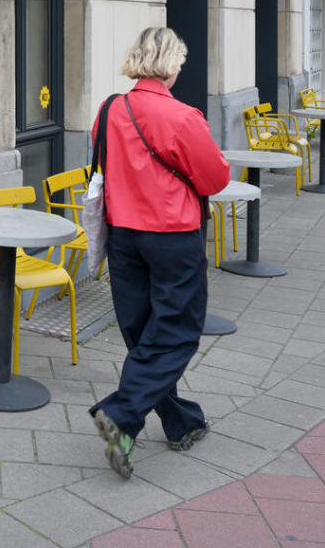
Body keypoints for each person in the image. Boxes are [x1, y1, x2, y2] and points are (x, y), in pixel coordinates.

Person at [88, 27, 231, 479]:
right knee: (175, 332)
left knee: (142, 330)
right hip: (172, 235)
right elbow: (215, 180)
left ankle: (180, 420)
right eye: (181, 62)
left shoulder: (108, 109)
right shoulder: (184, 117)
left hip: (123, 234)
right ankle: (121, 415)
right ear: (169, 64)